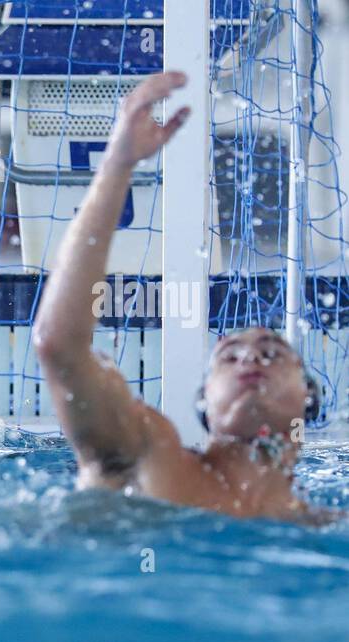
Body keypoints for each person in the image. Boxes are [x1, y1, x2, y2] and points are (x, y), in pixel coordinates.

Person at [34, 72, 325, 522]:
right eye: (229, 357)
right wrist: (117, 167)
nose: (250, 361)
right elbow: (59, 346)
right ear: (203, 400)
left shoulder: (320, 526)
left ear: (309, 396)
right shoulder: (150, 453)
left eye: (272, 353)